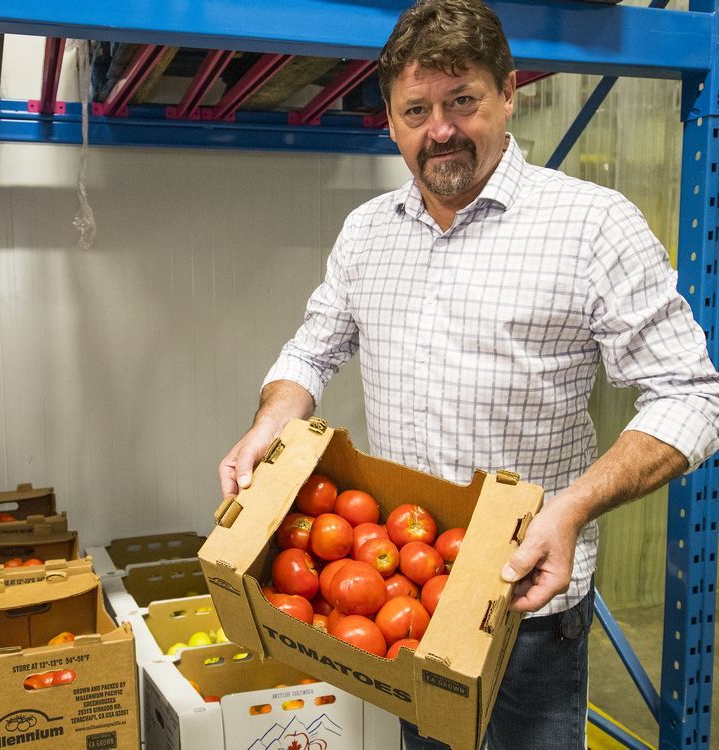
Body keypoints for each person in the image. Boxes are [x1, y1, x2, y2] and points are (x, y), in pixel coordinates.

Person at [218, 0, 719, 747]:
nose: (439, 129)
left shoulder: (592, 225)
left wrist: (573, 509)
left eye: (462, 101)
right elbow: (312, 349)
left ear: (508, 93)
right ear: (389, 120)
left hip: (528, 608)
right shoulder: (367, 233)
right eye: (415, 109)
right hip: (408, 604)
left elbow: (692, 394)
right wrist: (270, 422)